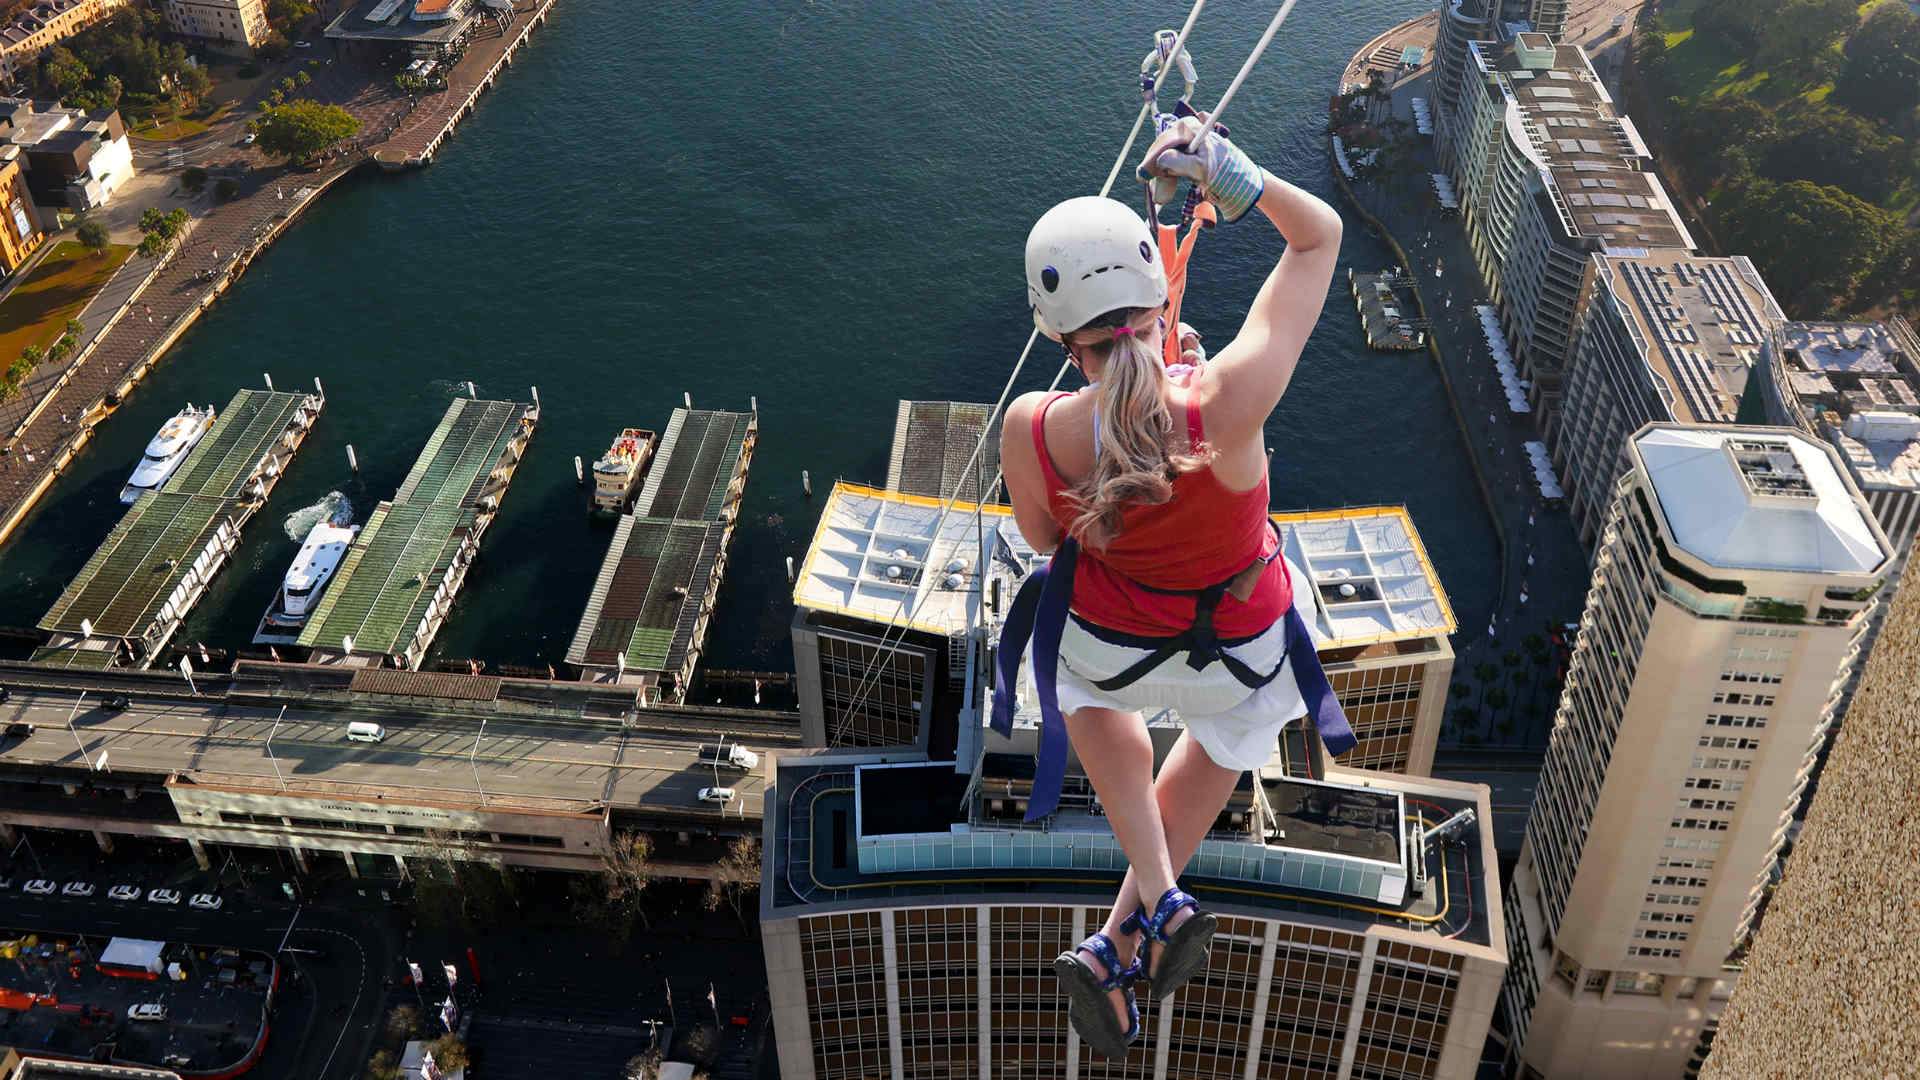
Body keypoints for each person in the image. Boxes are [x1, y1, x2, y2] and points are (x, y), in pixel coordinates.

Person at [996, 114, 1348, 1056]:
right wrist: (1235, 175)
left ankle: (1142, 916)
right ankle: (1137, 917)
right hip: (1241, 642)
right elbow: (1321, 236)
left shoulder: (1033, 427)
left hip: (1114, 642)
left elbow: (1041, 536)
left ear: (1060, 334)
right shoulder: (1228, 398)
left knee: (1078, 693)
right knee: (1224, 735)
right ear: (1157, 295)